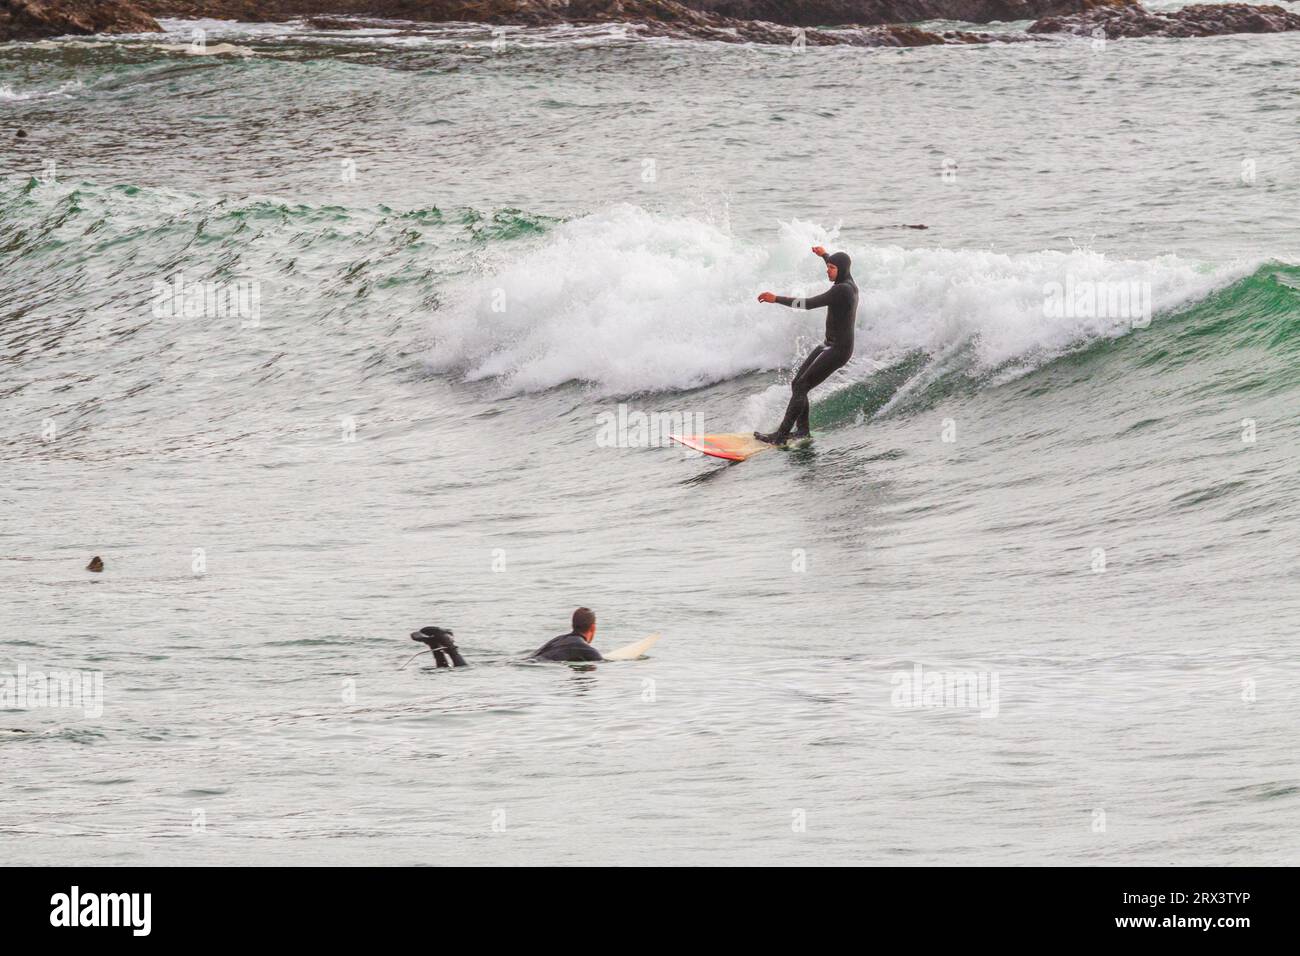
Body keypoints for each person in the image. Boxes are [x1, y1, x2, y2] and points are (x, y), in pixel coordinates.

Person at [754, 245, 859, 444]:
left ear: (841, 269)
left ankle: (781, 435)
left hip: (839, 350)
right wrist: (824, 255)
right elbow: (838, 262)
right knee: (798, 384)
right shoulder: (847, 279)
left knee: (802, 385)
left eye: (831, 268)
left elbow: (808, 304)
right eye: (827, 266)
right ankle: (802, 431)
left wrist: (776, 299)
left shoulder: (843, 290)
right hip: (830, 344)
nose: (827, 270)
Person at [530, 607, 603, 662]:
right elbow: (599, 661)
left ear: (572, 625)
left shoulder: (558, 639)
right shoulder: (587, 650)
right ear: (592, 627)